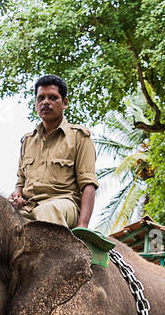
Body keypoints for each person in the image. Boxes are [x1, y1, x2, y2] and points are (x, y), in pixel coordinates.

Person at [9, 75, 98, 228]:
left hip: (63, 205)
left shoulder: (79, 136)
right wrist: (17, 194)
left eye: (52, 98)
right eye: (41, 98)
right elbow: (20, 183)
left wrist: (82, 226)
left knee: (47, 211)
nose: (45, 102)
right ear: (36, 104)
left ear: (64, 103)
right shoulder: (28, 141)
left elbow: (88, 184)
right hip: (28, 208)